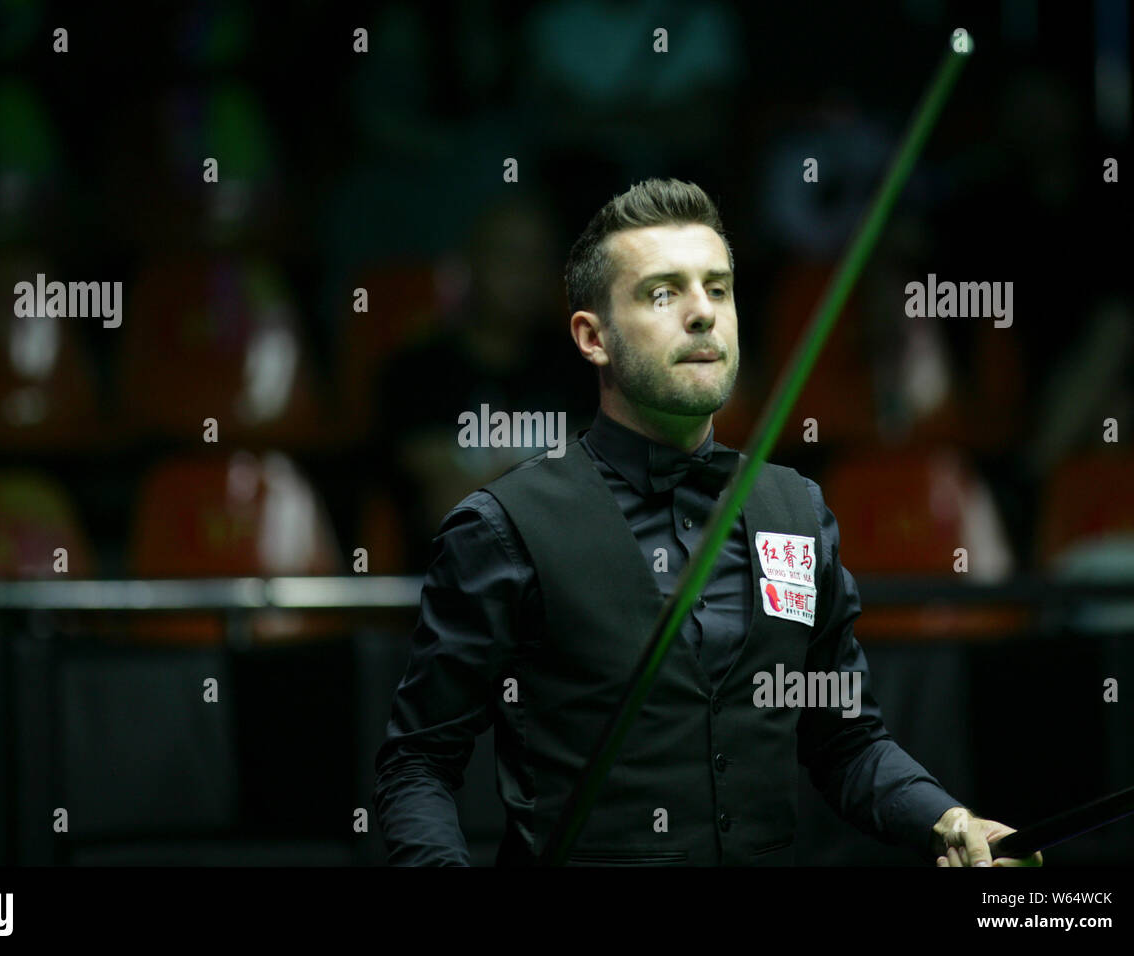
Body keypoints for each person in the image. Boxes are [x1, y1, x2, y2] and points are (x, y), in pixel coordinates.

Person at [372, 178, 1041, 868]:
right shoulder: (503, 527)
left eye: (717, 289)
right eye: (663, 293)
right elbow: (418, 764)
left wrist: (948, 819)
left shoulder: (796, 511)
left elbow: (847, 742)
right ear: (591, 336)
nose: (701, 313)